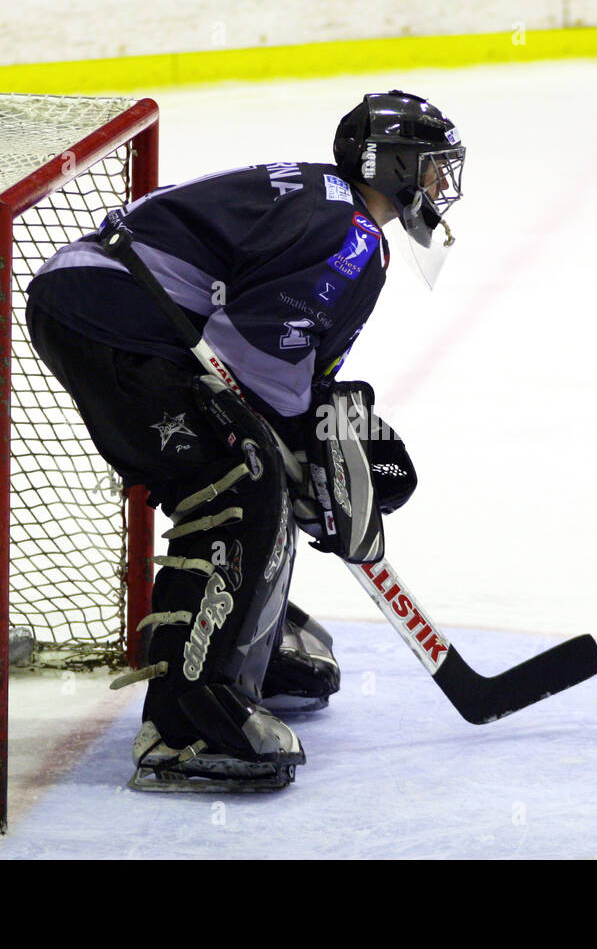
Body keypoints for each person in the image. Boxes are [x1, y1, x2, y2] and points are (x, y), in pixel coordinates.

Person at [25, 90, 465, 791]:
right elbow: (254, 359)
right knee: (241, 478)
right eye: (433, 167)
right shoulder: (346, 231)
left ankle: (240, 646)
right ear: (393, 166)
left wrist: (327, 447)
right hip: (112, 315)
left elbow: (286, 365)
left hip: (110, 306)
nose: (444, 185)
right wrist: (308, 460)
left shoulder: (341, 215)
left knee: (256, 465)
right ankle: (187, 722)